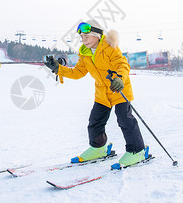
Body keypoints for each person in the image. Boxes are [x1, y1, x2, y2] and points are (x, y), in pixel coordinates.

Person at [44, 20, 148, 168]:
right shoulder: (85, 53)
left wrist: (119, 79)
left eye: (86, 37)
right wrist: (58, 68)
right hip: (102, 92)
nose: (83, 40)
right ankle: (99, 148)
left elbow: (122, 64)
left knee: (125, 120)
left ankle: (137, 150)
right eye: (81, 38)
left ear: (97, 36)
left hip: (118, 88)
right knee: (95, 121)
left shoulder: (110, 47)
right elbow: (78, 72)